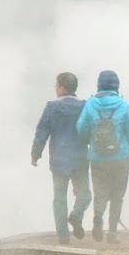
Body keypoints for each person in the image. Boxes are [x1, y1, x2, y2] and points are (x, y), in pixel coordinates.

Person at [75, 69, 129, 241]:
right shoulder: (124, 105)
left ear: (99, 85)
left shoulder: (90, 104)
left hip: (97, 158)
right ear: (116, 86)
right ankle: (112, 232)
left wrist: (89, 139)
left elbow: (81, 128)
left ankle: (97, 219)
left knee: (100, 192)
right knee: (118, 195)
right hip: (121, 158)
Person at [30, 71, 90, 243]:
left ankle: (63, 237)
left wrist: (35, 154)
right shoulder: (84, 106)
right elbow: (90, 130)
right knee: (85, 194)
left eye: (56, 85)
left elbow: (42, 132)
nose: (55, 88)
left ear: (62, 88)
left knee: (59, 198)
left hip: (59, 159)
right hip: (80, 158)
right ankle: (76, 215)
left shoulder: (52, 107)